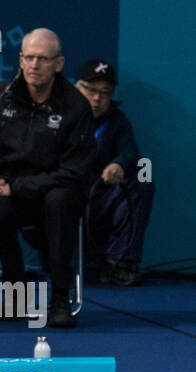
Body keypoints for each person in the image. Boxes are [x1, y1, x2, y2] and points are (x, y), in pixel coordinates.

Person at [0, 27, 96, 328]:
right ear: (20, 59)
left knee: (60, 202)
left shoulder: (76, 106)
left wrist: (15, 187)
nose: (34, 65)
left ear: (59, 64)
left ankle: (59, 298)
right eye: (29, 57)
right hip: (9, 194)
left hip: (56, 190)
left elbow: (74, 172)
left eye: (43, 59)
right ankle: (17, 293)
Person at [75, 58, 153, 287]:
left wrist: (118, 163)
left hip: (100, 196)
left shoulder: (117, 121)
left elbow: (131, 151)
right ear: (76, 89)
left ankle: (118, 264)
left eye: (105, 93)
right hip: (65, 195)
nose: (97, 98)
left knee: (142, 181)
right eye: (90, 90)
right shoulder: (59, 116)